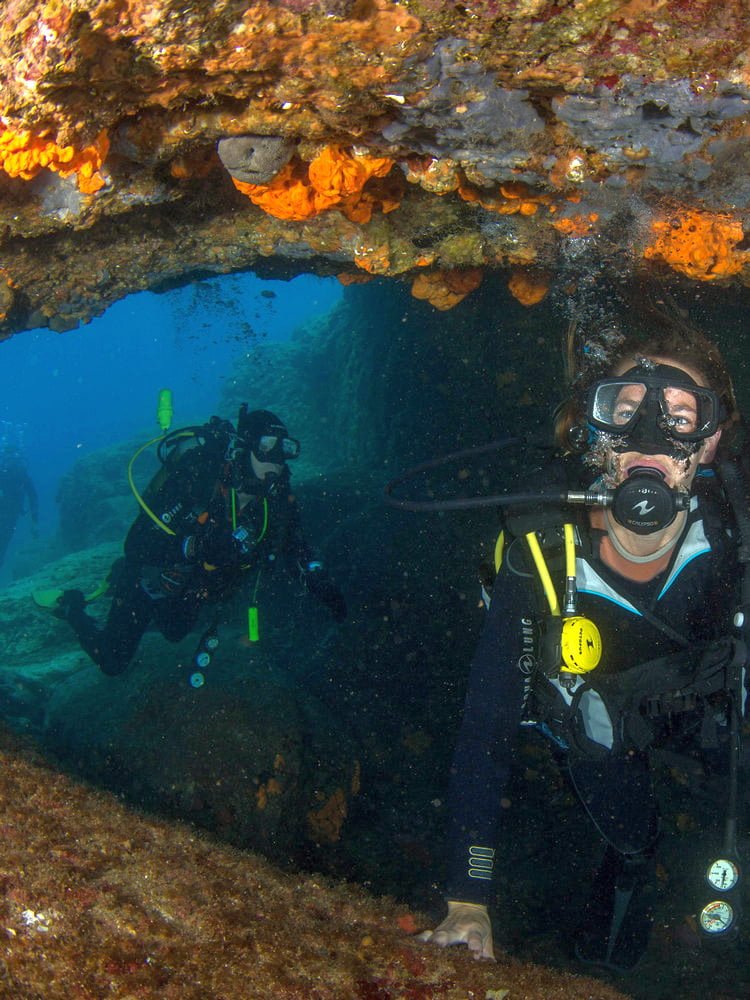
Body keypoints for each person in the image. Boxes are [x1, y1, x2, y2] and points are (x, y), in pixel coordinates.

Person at [420, 313, 746, 971]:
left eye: (681, 416)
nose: (650, 435)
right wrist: (467, 898)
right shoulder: (543, 552)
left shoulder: (735, 533)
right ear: (595, 432)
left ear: (709, 444)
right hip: (606, 738)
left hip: (718, 717)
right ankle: (624, 893)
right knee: (633, 841)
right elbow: (486, 730)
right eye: (624, 410)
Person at [49, 406, 347, 676]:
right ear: (245, 446)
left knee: (174, 631)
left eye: (286, 449)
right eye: (267, 447)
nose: (277, 461)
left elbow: (294, 544)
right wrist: (195, 546)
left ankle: (128, 600)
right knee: (112, 661)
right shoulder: (199, 475)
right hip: (150, 575)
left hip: (195, 587)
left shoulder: (277, 495)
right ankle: (73, 607)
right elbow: (137, 544)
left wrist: (320, 582)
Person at [0, 443, 38, 568]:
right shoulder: (21, 474)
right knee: (3, 544)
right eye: (8, 459)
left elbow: (33, 496)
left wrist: (34, 522)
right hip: (10, 514)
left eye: (13, 459)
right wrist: (34, 521)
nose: (11, 463)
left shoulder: (21, 474)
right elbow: (33, 497)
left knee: (3, 544)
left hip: (11, 514)